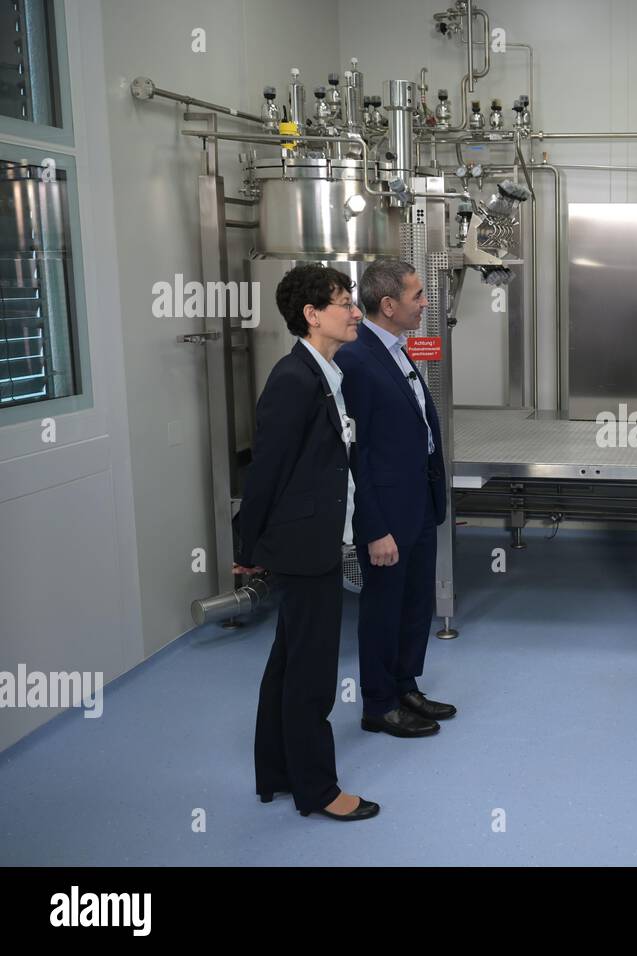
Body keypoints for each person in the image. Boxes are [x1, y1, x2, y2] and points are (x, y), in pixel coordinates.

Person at [235, 264, 378, 821]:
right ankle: (319, 790)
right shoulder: (294, 380)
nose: (355, 312)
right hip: (303, 549)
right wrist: (248, 549)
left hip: (314, 538)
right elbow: (265, 470)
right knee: (312, 674)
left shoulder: (324, 374)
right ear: (312, 314)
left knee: (288, 663)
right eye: (344, 302)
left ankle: (277, 771)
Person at [335, 258, 454, 738]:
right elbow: (355, 454)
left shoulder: (397, 349)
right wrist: (373, 526)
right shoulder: (356, 360)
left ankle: (406, 686)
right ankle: (379, 704)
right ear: (388, 305)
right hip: (386, 510)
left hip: (418, 500)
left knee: (414, 599)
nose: (426, 303)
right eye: (418, 295)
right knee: (384, 606)